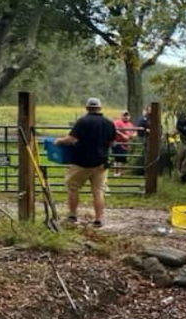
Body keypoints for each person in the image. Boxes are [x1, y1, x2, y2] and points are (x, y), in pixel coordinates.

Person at [55, 97, 116, 228]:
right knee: (98, 191)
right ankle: (98, 219)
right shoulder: (108, 123)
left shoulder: (82, 121)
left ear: (87, 108)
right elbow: (112, 143)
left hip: (81, 162)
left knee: (73, 187)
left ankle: (72, 216)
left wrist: (59, 141)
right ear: (100, 108)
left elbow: (71, 139)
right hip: (100, 163)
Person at [111, 110, 136, 177]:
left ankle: (120, 172)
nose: (126, 117)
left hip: (126, 143)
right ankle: (116, 172)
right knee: (118, 157)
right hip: (118, 142)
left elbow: (134, 131)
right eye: (124, 115)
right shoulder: (117, 122)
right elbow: (115, 130)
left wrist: (132, 135)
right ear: (121, 116)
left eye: (127, 115)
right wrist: (123, 135)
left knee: (122, 158)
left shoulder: (130, 124)